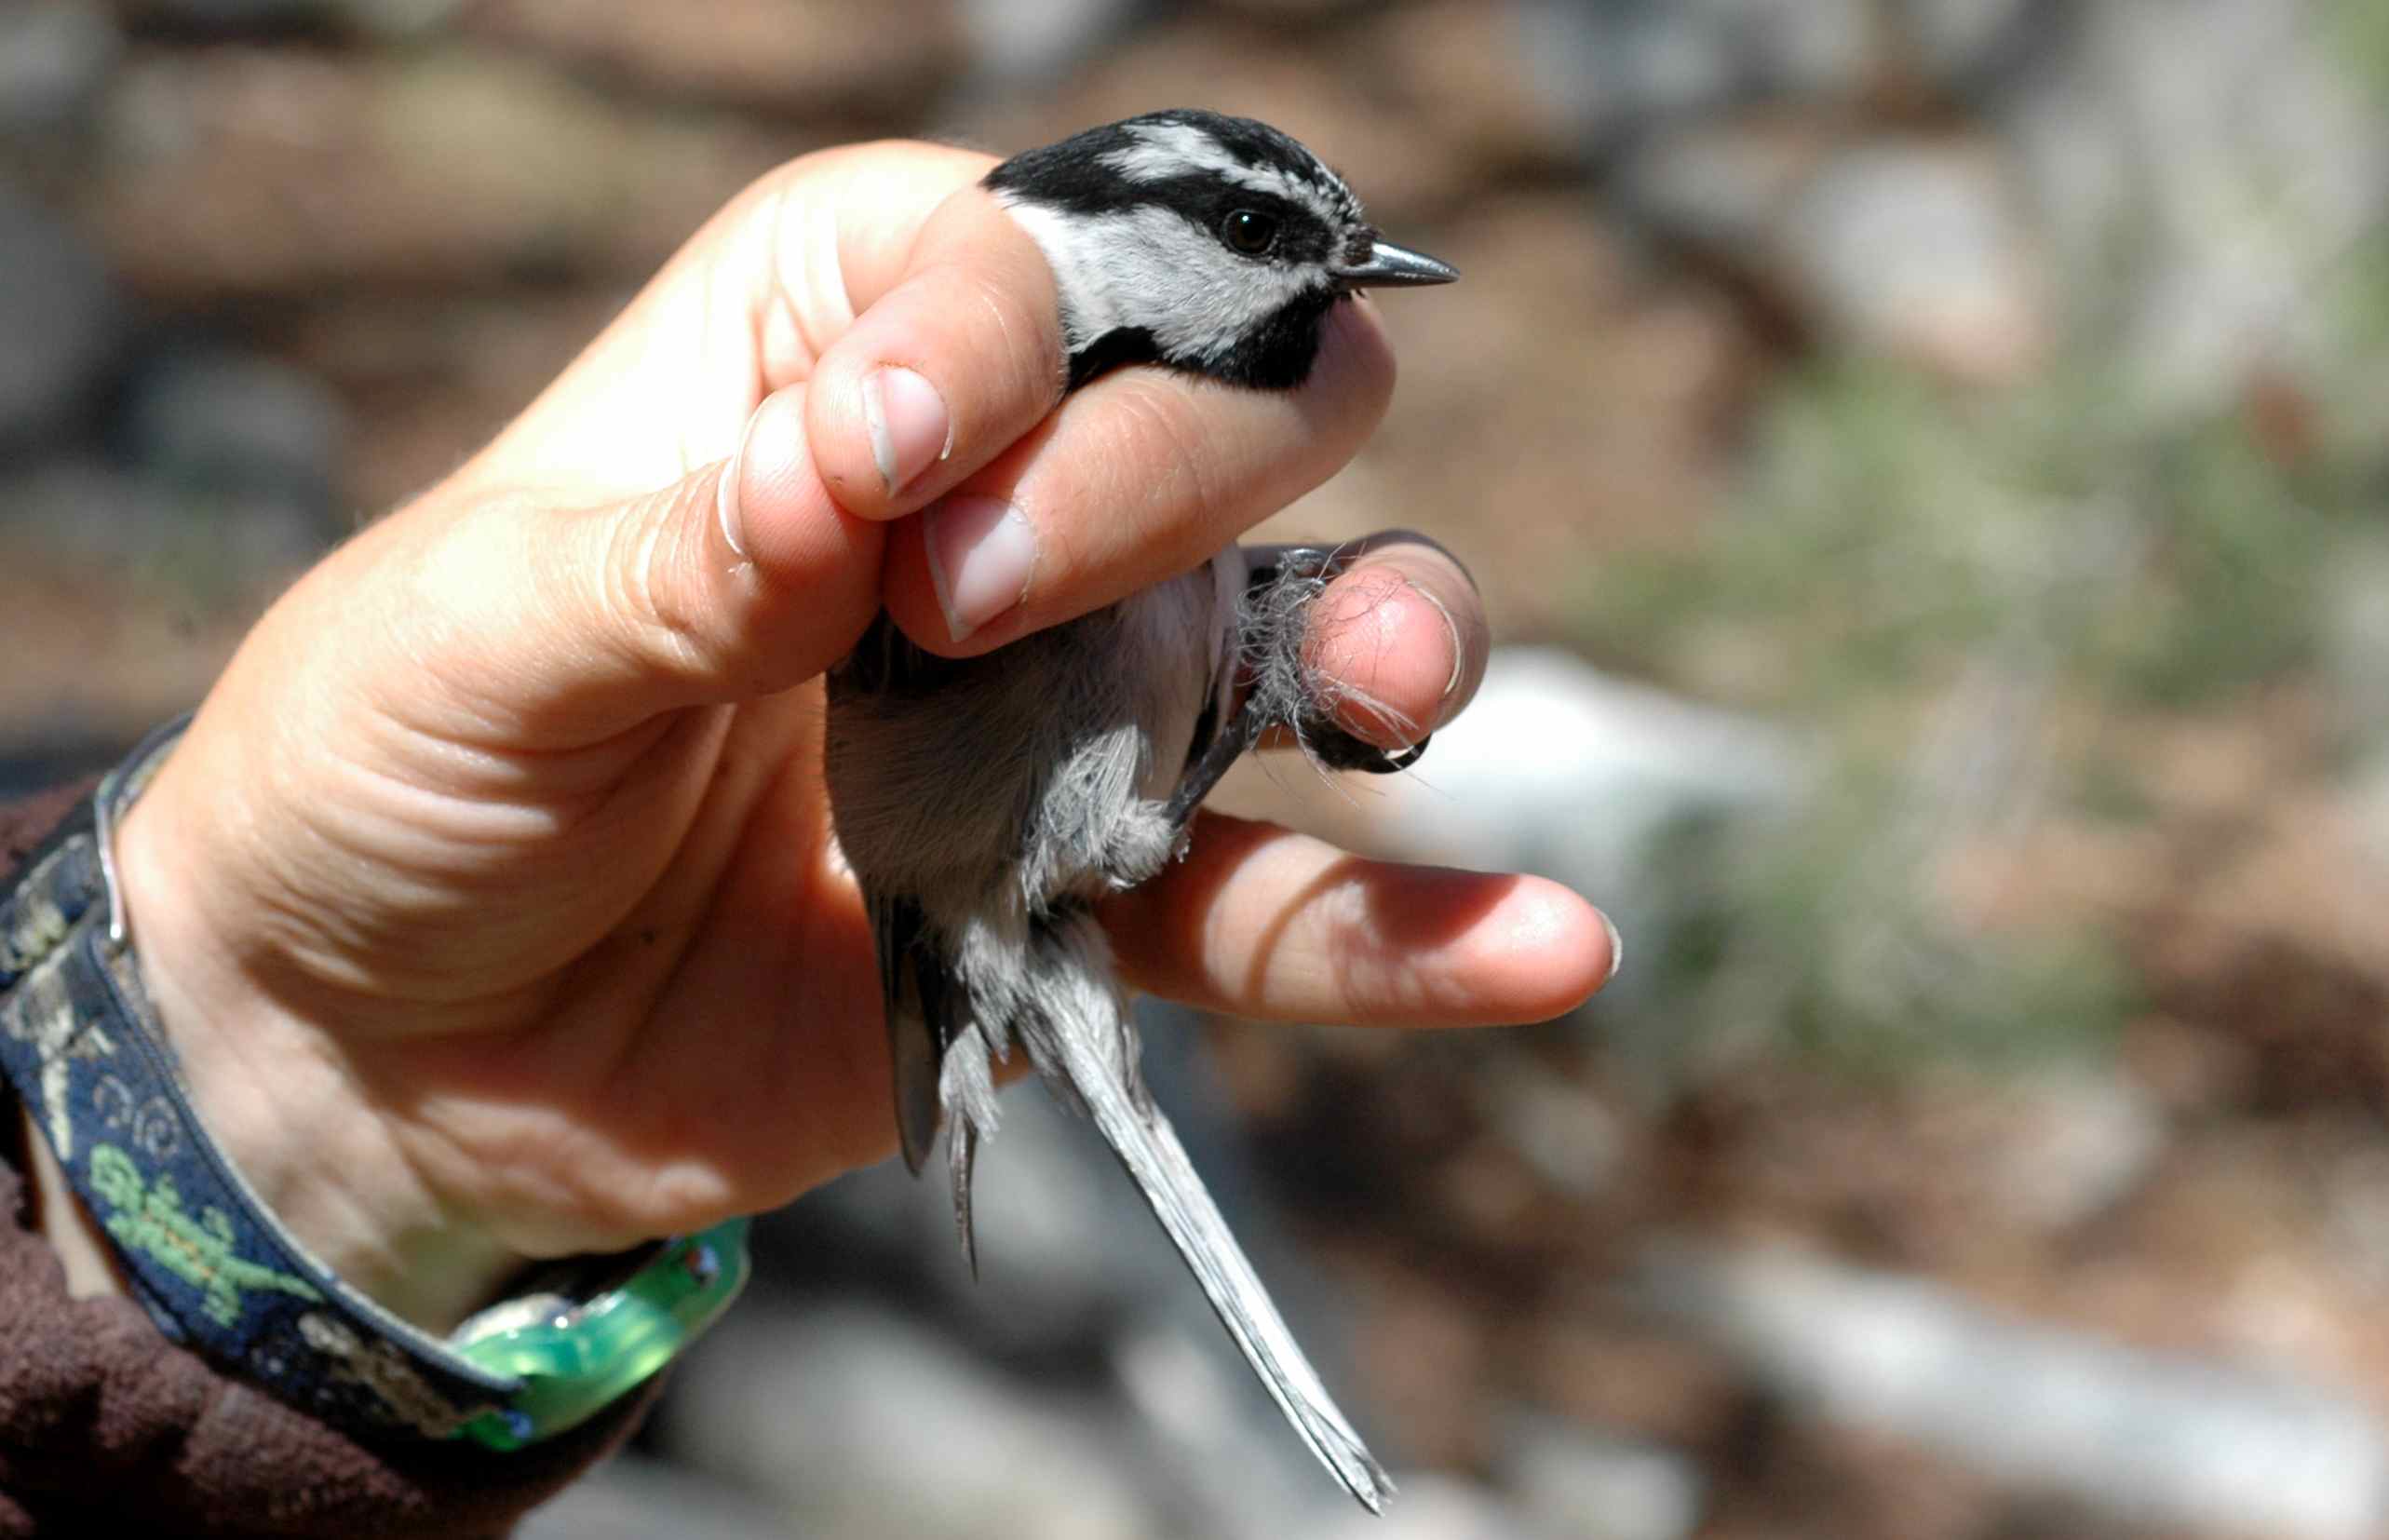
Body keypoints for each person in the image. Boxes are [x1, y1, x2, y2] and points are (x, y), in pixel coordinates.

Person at [0, 138, 1615, 1535]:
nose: (1321, 283)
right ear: (1108, 235)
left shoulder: (1082, 424)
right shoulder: (964, 381)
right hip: (964, 858)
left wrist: (291, 1092)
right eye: (1257, 237)